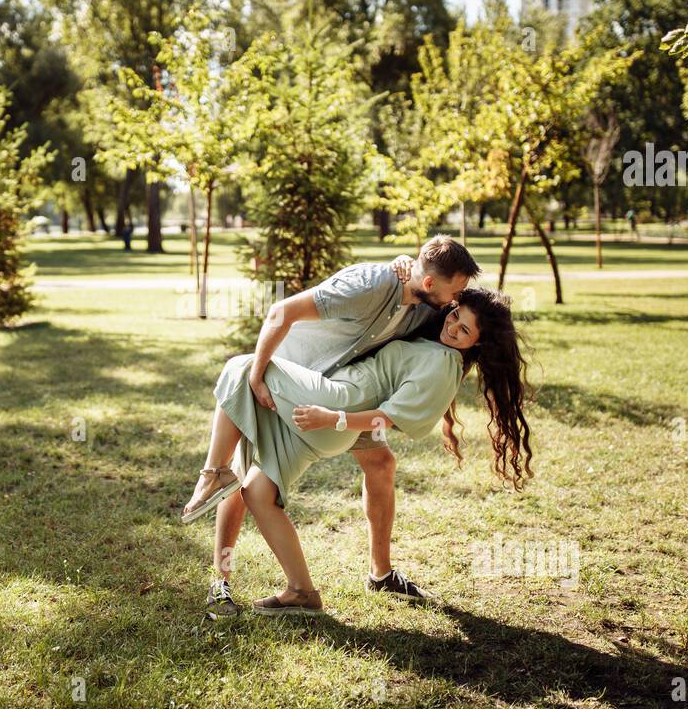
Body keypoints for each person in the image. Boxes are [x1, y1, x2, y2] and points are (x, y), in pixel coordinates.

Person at [178, 235, 481, 616]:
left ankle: (377, 574)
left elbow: (463, 319)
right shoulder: (370, 285)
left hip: (340, 393)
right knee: (243, 477)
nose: (456, 303)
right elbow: (280, 312)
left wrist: (408, 261)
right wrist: (256, 377)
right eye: (455, 293)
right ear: (432, 283)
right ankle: (221, 581)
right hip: (286, 376)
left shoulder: (430, 309)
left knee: (380, 464)